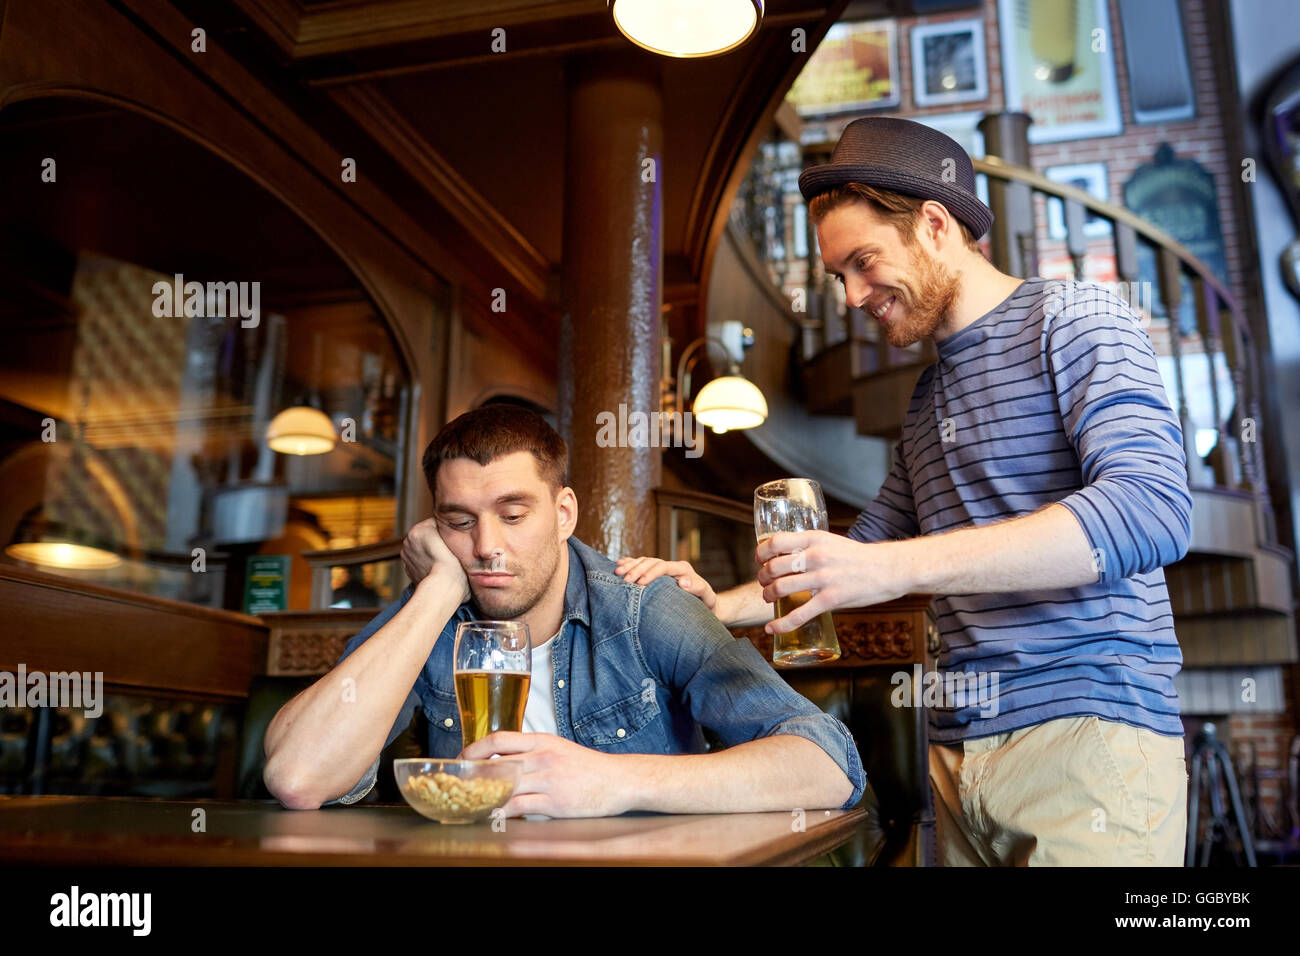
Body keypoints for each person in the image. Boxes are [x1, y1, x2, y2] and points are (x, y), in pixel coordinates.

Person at [615, 116, 1192, 866]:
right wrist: (721, 606)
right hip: (955, 755)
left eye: (863, 261)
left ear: (935, 223)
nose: (852, 296)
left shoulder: (1076, 319)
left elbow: (1151, 510)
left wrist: (889, 569)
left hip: (1089, 737)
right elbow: (859, 556)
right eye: (837, 277)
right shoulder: (927, 400)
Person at [262, 404, 864, 817]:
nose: (486, 545)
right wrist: (440, 591)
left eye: (514, 514)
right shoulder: (431, 614)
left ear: (565, 514)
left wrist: (612, 782)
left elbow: (828, 765)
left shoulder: (641, 608)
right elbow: (298, 777)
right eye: (459, 521)